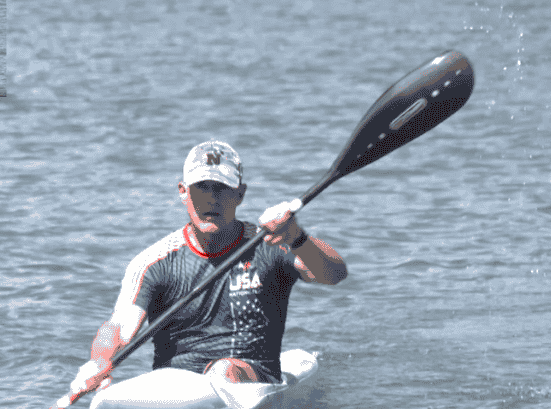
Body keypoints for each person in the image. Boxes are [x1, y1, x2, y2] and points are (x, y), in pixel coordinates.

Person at [70, 140, 347, 395]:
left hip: (250, 381)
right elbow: (118, 327)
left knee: (224, 371)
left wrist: (298, 237)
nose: (211, 199)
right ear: (182, 191)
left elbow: (334, 275)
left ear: (240, 194)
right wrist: (99, 362)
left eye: (222, 188)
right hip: (177, 390)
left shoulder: (271, 245)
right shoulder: (154, 263)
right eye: (201, 187)